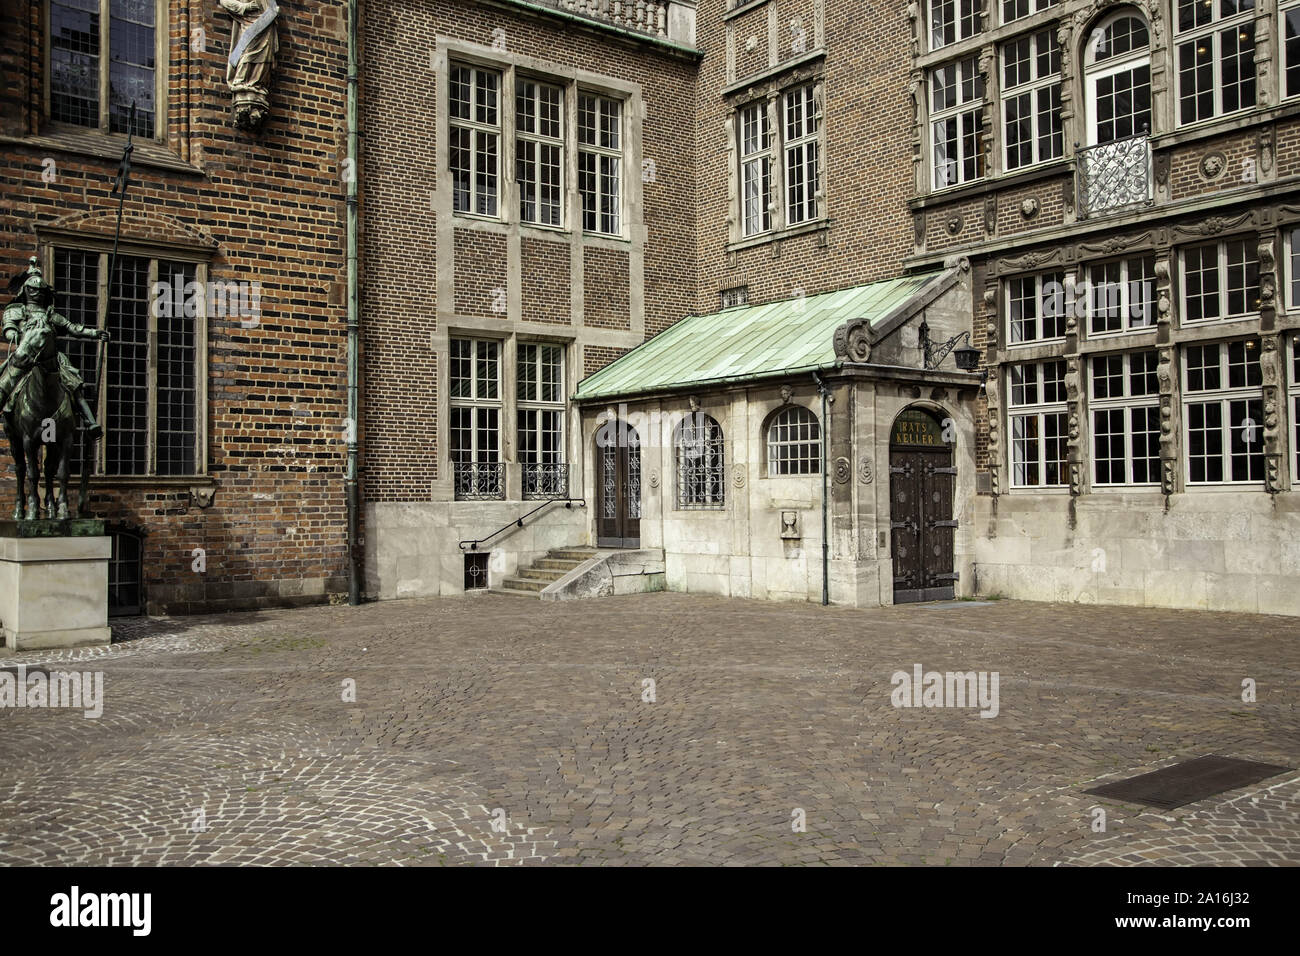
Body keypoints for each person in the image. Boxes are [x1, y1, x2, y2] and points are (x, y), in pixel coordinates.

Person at [0, 258, 110, 438]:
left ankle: (90, 422)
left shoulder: (50, 314)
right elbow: (9, 329)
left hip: (52, 358)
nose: (37, 293)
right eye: (33, 290)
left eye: (41, 290)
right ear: (25, 290)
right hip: (25, 355)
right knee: (3, 383)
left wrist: (95, 333)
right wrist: (16, 336)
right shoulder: (16, 310)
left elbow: (72, 328)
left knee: (74, 384)